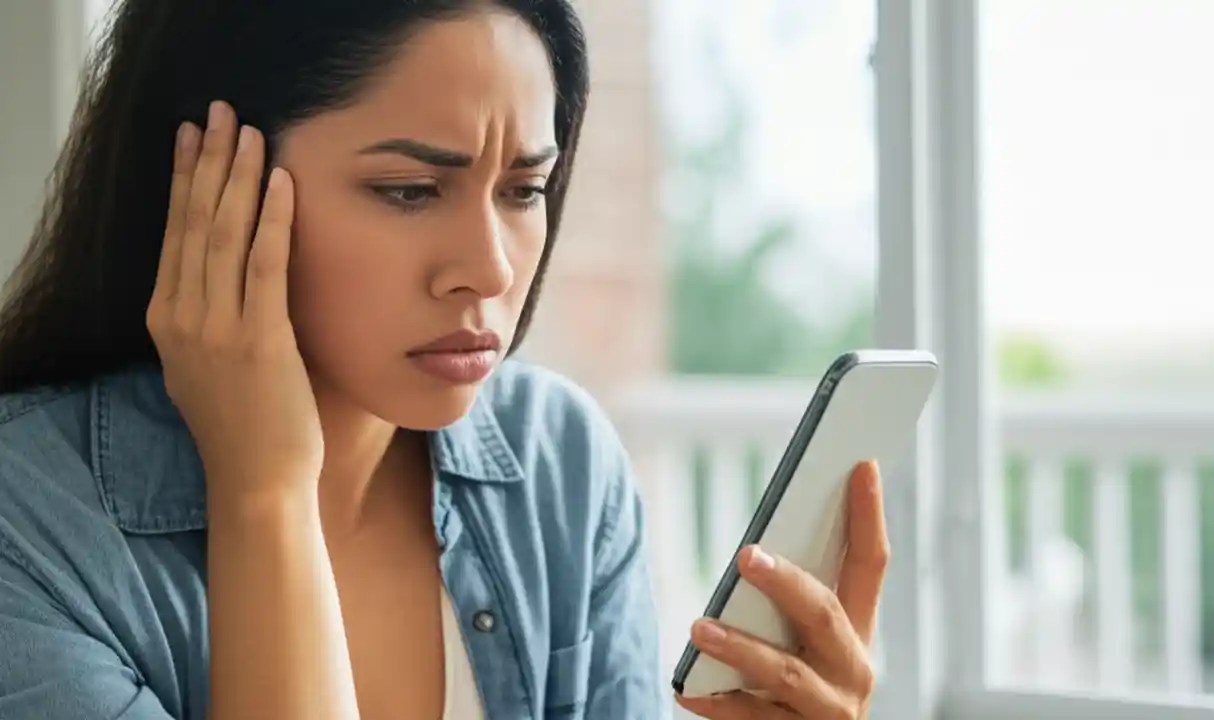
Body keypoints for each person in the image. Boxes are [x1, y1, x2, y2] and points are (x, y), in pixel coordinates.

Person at [0, 1, 887, 718]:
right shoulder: (27, 527)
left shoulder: (559, 468)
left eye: (524, 190)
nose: (492, 269)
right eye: (410, 191)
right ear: (212, 183)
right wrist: (264, 494)